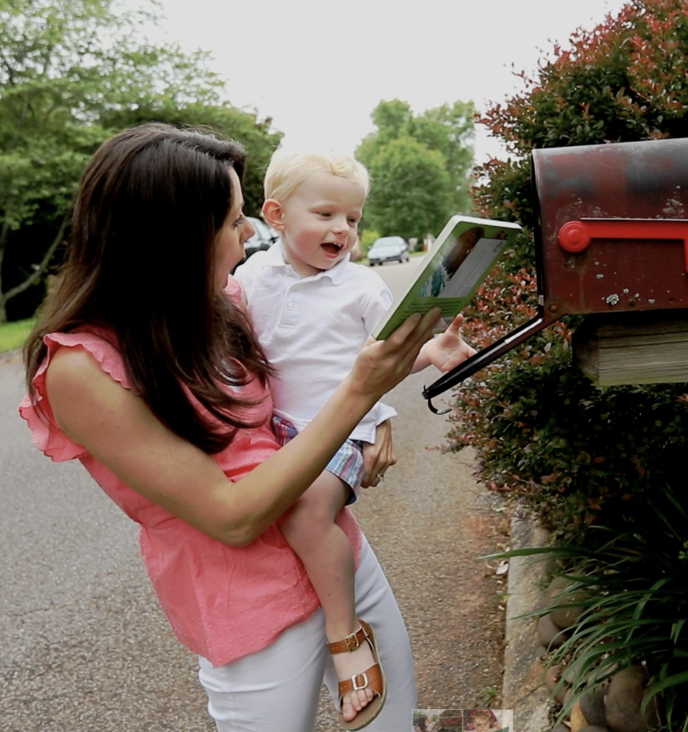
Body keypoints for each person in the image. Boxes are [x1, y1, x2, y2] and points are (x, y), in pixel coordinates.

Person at [19, 123, 440, 732]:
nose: (250, 236)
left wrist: (374, 417)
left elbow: (300, 382)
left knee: (395, 723)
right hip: (247, 599)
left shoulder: (224, 302)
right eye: (233, 220)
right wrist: (361, 396)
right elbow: (232, 516)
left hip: (332, 550)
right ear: (171, 237)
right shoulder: (80, 370)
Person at [233, 148, 475, 728]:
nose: (343, 229)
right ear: (276, 214)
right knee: (277, 501)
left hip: (341, 430)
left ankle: (345, 636)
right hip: (274, 430)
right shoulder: (247, 278)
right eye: (326, 214)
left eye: (354, 219)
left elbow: (388, 358)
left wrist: (432, 353)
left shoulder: (363, 287)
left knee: (308, 509)